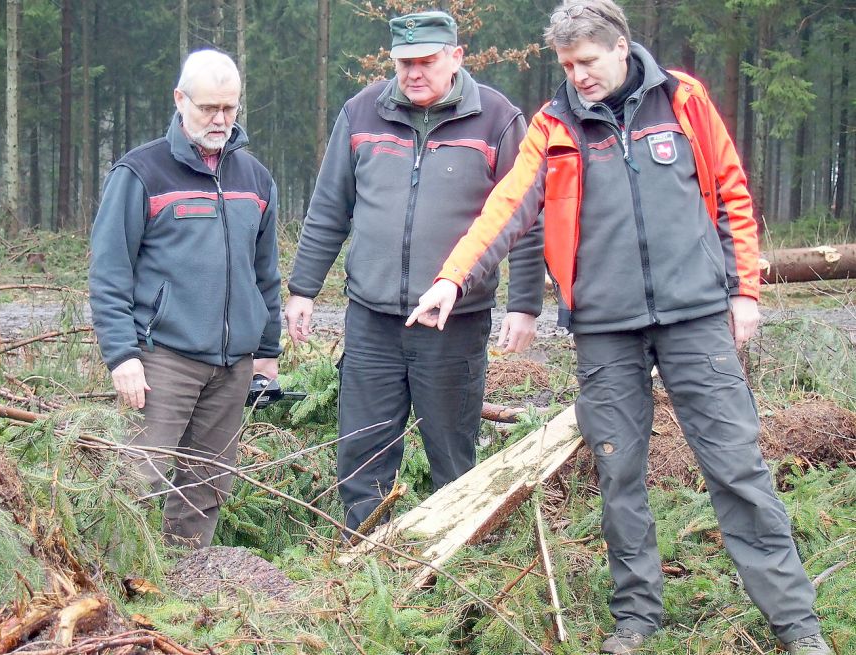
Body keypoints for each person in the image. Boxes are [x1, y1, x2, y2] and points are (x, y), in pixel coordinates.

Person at [406, 2, 829, 653]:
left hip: (693, 319)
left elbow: (731, 192)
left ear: (621, 48)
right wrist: (451, 277)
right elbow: (505, 208)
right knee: (618, 473)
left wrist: (743, 290)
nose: (577, 76)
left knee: (737, 469)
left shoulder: (682, 101)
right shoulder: (552, 126)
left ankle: (796, 625)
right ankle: (635, 619)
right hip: (604, 329)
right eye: (566, 65)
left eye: (587, 62)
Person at [285, 10, 546, 532]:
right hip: (371, 321)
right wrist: (303, 289)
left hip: (454, 324)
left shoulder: (499, 119)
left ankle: (453, 560)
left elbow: (526, 217)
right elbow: (330, 206)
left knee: (452, 455)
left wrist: (523, 305)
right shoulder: (362, 113)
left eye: (426, 61)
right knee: (362, 452)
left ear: (456, 56)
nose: (413, 73)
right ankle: (366, 561)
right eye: (404, 63)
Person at [89, 50, 281, 548]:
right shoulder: (140, 173)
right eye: (208, 108)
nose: (220, 120)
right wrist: (122, 355)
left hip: (233, 366)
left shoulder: (256, 179)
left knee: (206, 487)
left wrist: (267, 352)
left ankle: (182, 589)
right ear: (180, 100)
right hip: (162, 361)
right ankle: (111, 584)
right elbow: (109, 273)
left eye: (230, 109)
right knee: (138, 480)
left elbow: (264, 274)